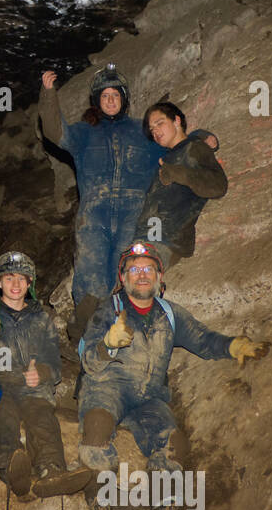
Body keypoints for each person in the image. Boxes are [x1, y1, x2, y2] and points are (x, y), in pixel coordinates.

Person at [77, 241, 269, 510]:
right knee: (98, 424)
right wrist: (108, 344)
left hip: (149, 397)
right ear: (123, 278)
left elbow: (203, 340)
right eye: (134, 269)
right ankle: (101, 504)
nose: (142, 275)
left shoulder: (170, 314)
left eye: (149, 269)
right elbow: (87, 360)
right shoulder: (107, 311)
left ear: (159, 277)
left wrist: (232, 346)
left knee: (174, 440)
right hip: (107, 387)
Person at [38, 64, 218, 349]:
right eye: (105, 95)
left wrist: (202, 136)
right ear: (97, 100)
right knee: (89, 277)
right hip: (93, 217)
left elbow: (174, 141)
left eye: (115, 95)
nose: (110, 100)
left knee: (123, 276)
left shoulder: (141, 132)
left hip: (133, 217)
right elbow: (54, 132)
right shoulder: (84, 133)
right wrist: (49, 96)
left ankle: (123, 344)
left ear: (124, 99)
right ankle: (85, 343)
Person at [0, 251, 94, 498]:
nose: (16, 284)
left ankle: (51, 472)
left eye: (22, 278)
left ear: (30, 283)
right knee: (4, 416)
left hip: (32, 389)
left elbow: (53, 364)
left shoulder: (42, 320)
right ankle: (11, 470)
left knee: (41, 416)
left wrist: (41, 372)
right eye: (9, 278)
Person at [134, 101, 228, 269]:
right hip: (146, 237)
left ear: (177, 121)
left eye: (159, 123)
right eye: (152, 129)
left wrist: (180, 174)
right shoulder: (164, 157)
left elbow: (219, 186)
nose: (155, 131)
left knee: (138, 275)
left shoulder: (193, 147)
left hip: (167, 239)